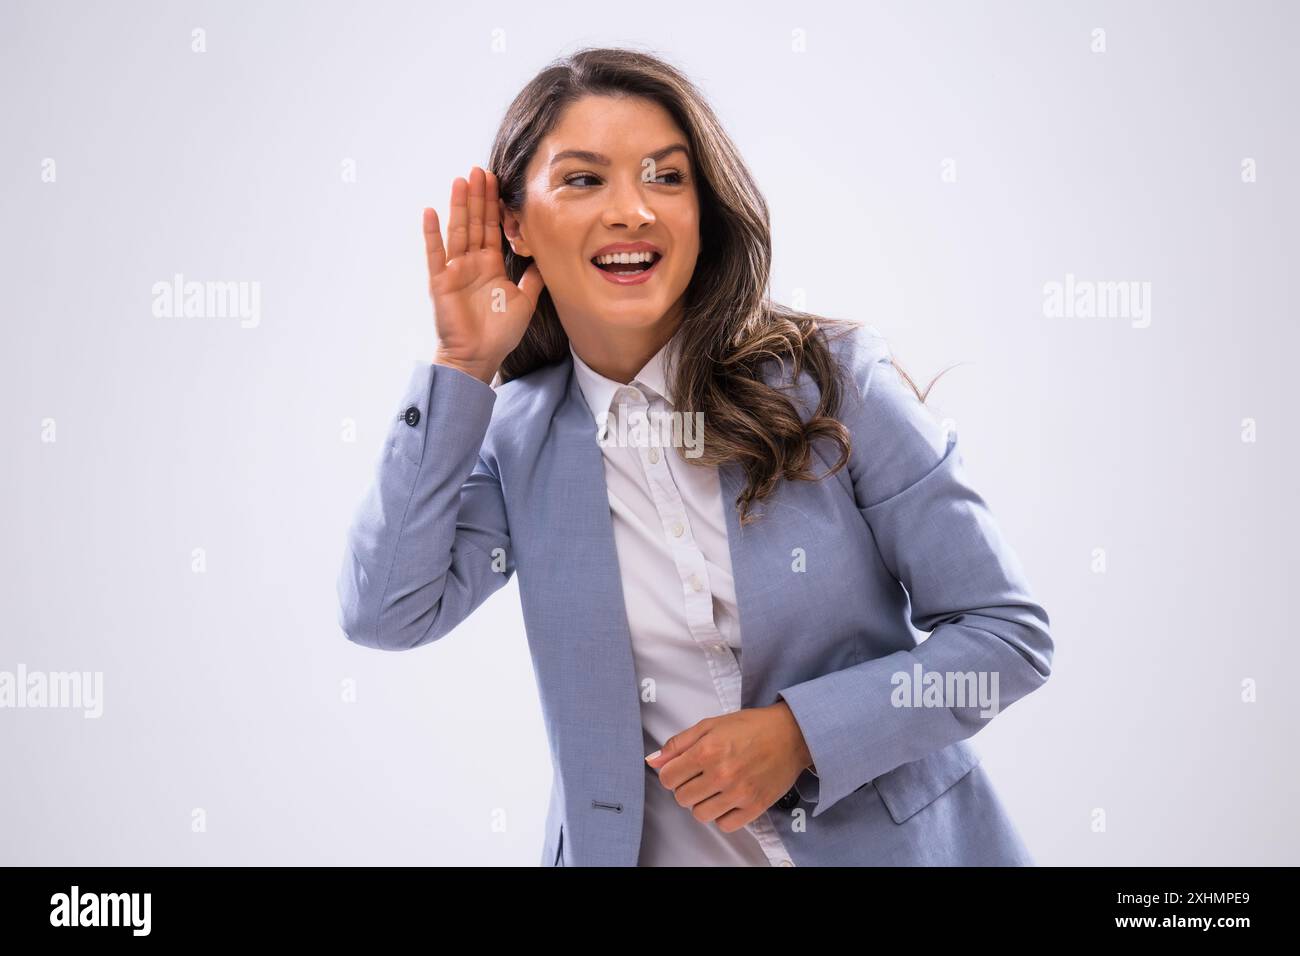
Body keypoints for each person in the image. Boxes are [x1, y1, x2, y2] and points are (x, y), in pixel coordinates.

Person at [336, 46, 1053, 866]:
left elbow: (1006, 635)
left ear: (702, 210)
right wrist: (461, 369)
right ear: (515, 223)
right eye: (583, 179)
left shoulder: (835, 382)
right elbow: (385, 612)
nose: (632, 210)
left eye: (666, 177)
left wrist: (802, 734)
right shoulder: (515, 436)